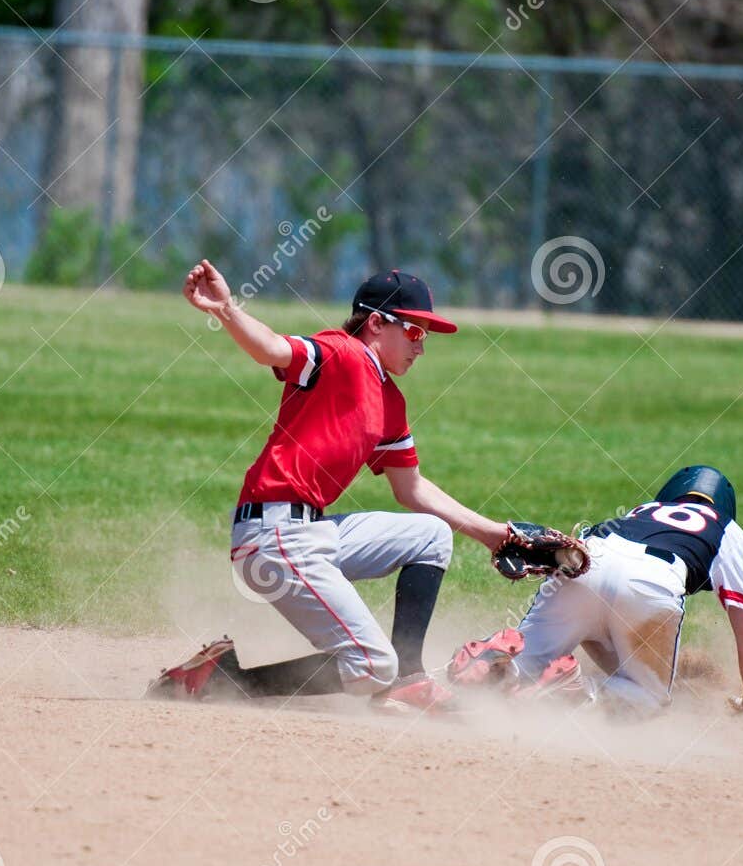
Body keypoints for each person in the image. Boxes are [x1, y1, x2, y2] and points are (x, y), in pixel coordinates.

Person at [149, 261, 513, 712]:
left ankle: (409, 676)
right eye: (416, 332)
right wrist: (226, 308)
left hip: (311, 532)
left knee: (431, 535)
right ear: (377, 323)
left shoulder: (390, 401)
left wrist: (493, 534)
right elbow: (270, 349)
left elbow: (412, 490)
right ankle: (225, 681)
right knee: (371, 667)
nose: (422, 347)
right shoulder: (340, 352)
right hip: (272, 537)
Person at [448, 465, 743, 717]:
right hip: (651, 581)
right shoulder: (728, 530)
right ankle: (577, 690)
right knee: (649, 700)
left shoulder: (638, 512)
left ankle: (495, 666)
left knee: (527, 663)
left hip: (585, 562)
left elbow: (598, 610)